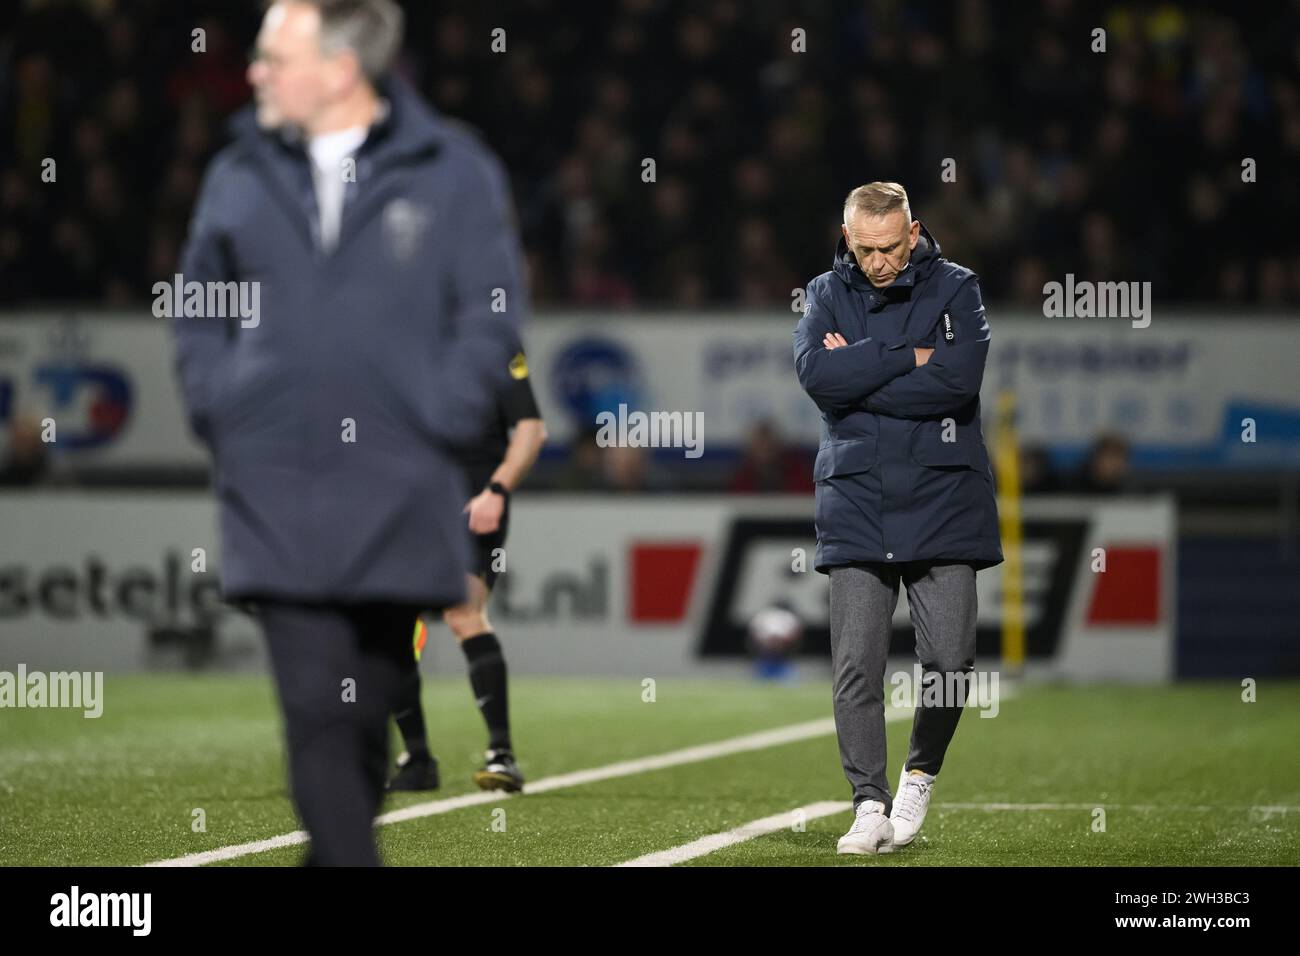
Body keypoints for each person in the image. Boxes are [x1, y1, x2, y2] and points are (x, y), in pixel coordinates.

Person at [171, 0, 526, 865]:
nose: (252, 74)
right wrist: (226, 409)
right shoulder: (239, 172)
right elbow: (195, 304)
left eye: (270, 57)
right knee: (316, 714)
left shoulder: (455, 169)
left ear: (338, 70)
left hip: (401, 498)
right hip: (277, 493)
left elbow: (489, 316)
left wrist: (434, 422)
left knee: (366, 713)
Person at [792, 182, 1002, 855]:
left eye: (888, 247)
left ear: (913, 233)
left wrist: (858, 369)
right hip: (856, 498)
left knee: (949, 659)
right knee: (856, 665)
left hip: (946, 499)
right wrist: (905, 357)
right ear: (847, 237)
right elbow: (817, 377)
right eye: (863, 249)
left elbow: (958, 381)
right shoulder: (825, 290)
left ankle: (919, 774)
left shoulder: (958, 287)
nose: (877, 262)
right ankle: (868, 803)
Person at [388, 338, 546, 793]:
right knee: (393, 622)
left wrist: (497, 490)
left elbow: (532, 429)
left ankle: (502, 754)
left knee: (462, 612)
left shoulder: (495, 345)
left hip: (474, 498)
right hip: (414, 498)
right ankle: (417, 760)